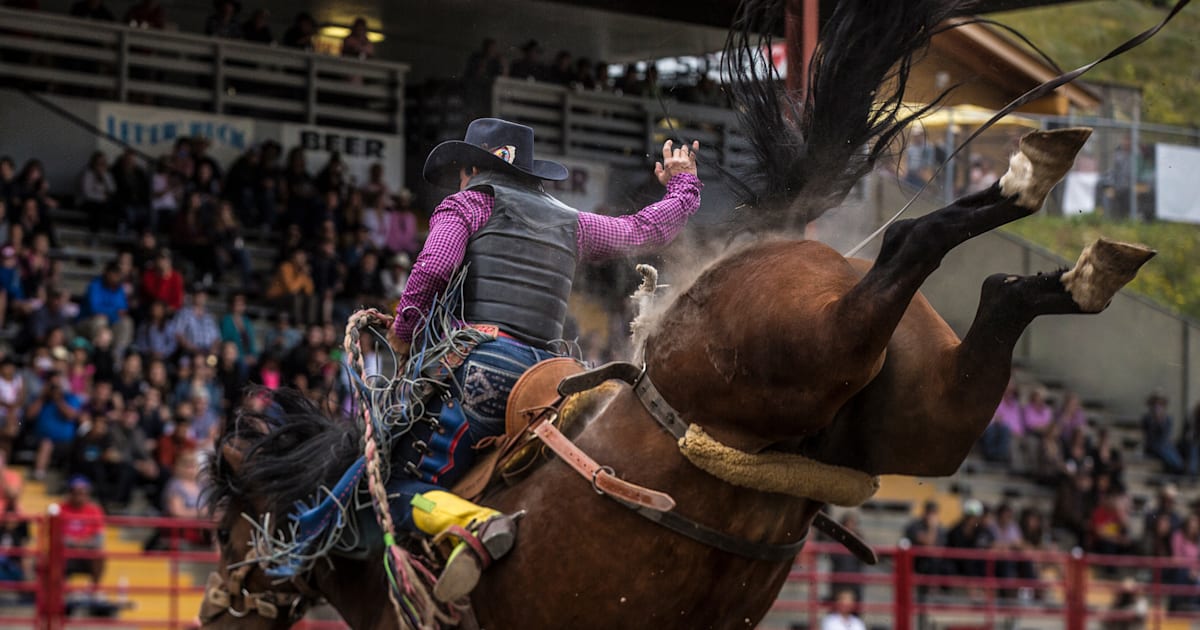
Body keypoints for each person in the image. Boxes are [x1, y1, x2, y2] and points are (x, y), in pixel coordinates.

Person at [383, 118, 702, 601]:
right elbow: (644, 231)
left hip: (481, 370)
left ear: (470, 169)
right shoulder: (572, 222)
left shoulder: (469, 203)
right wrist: (683, 184)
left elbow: (434, 267)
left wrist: (403, 332)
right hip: (554, 382)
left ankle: (476, 524)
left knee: (394, 489)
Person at [27, 372, 83, 480]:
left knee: (47, 444)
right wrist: (42, 397)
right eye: (52, 385)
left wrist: (58, 400)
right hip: (40, 439)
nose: (54, 388)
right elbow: (29, 415)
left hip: (65, 442)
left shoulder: (70, 398)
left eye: (57, 385)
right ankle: (39, 475)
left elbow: (71, 416)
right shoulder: (40, 399)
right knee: (46, 443)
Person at [60, 476, 106, 596]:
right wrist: (75, 544)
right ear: (70, 493)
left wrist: (80, 544)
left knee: (100, 554)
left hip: (86, 553)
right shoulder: (60, 509)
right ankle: (62, 590)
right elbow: (56, 537)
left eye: (83, 493)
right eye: (76, 493)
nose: (79, 497)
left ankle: (94, 590)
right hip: (66, 553)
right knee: (55, 555)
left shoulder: (95, 510)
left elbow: (99, 539)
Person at [1142, 389, 1184, 474]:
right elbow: (1149, 435)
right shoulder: (1147, 418)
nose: (1157, 406)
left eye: (1160, 404)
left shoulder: (1168, 419)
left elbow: (1166, 434)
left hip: (1165, 445)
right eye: (1155, 403)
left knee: (1175, 457)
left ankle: (1178, 470)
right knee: (1167, 454)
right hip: (1154, 446)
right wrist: (1155, 420)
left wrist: (1161, 420)